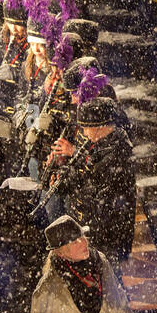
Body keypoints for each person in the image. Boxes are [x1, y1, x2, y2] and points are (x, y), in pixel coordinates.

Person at [40, 96, 137, 263]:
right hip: (92, 227)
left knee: (107, 273)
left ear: (99, 127)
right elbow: (83, 175)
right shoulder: (100, 144)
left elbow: (100, 200)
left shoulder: (116, 153)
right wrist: (62, 178)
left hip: (106, 236)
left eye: (86, 128)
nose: (84, 133)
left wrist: (85, 232)